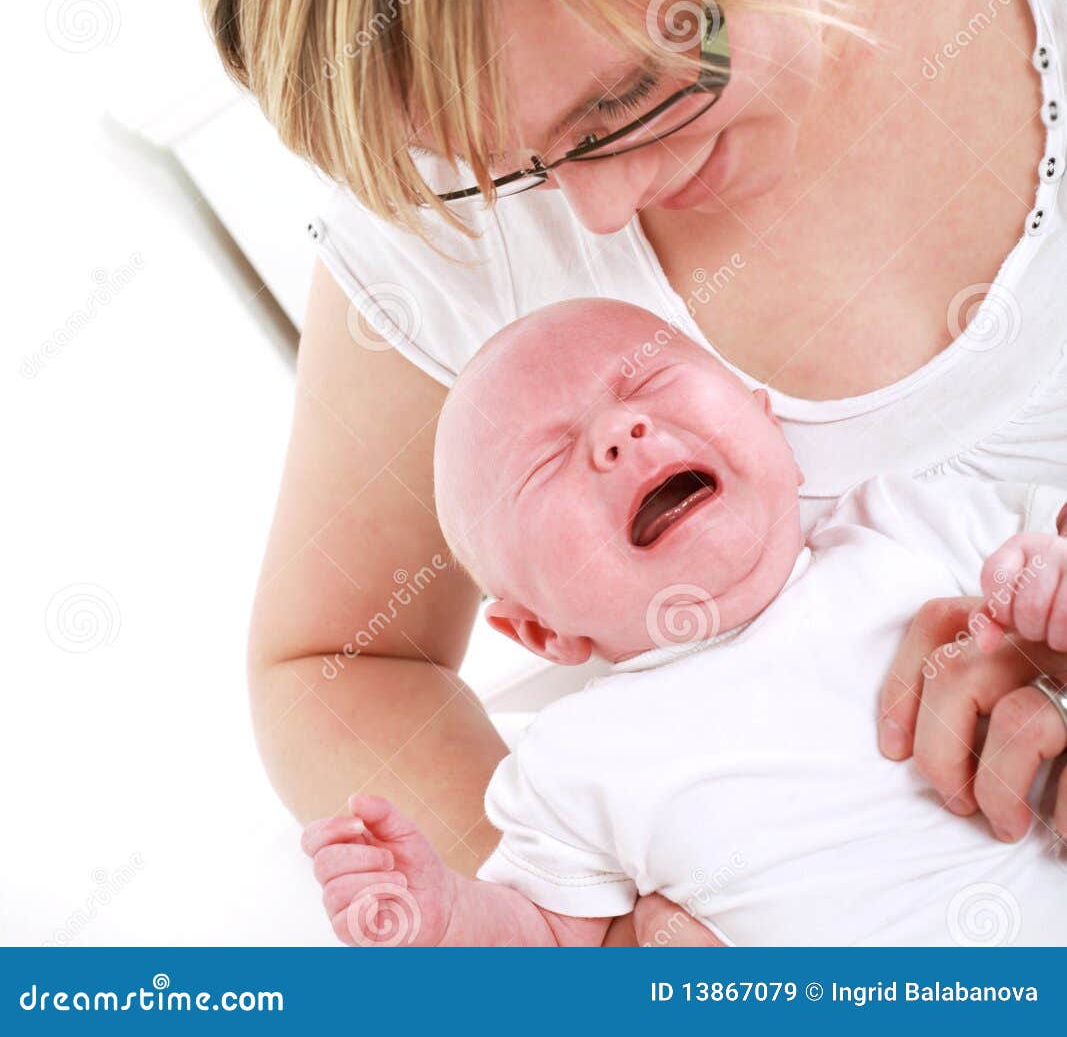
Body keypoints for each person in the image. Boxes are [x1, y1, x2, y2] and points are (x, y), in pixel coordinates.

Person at [158, 0, 1067, 946]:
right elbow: (333, 659)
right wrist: (616, 929)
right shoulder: (454, 216)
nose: (584, 206)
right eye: (494, 161)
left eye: (635, 87)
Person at [301, 298, 1067, 948]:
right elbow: (550, 941)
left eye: (650, 381)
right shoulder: (572, 762)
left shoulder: (909, 524)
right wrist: (444, 915)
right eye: (546, 462)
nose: (620, 432)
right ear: (541, 633)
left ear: (774, 430)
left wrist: (1049, 587)